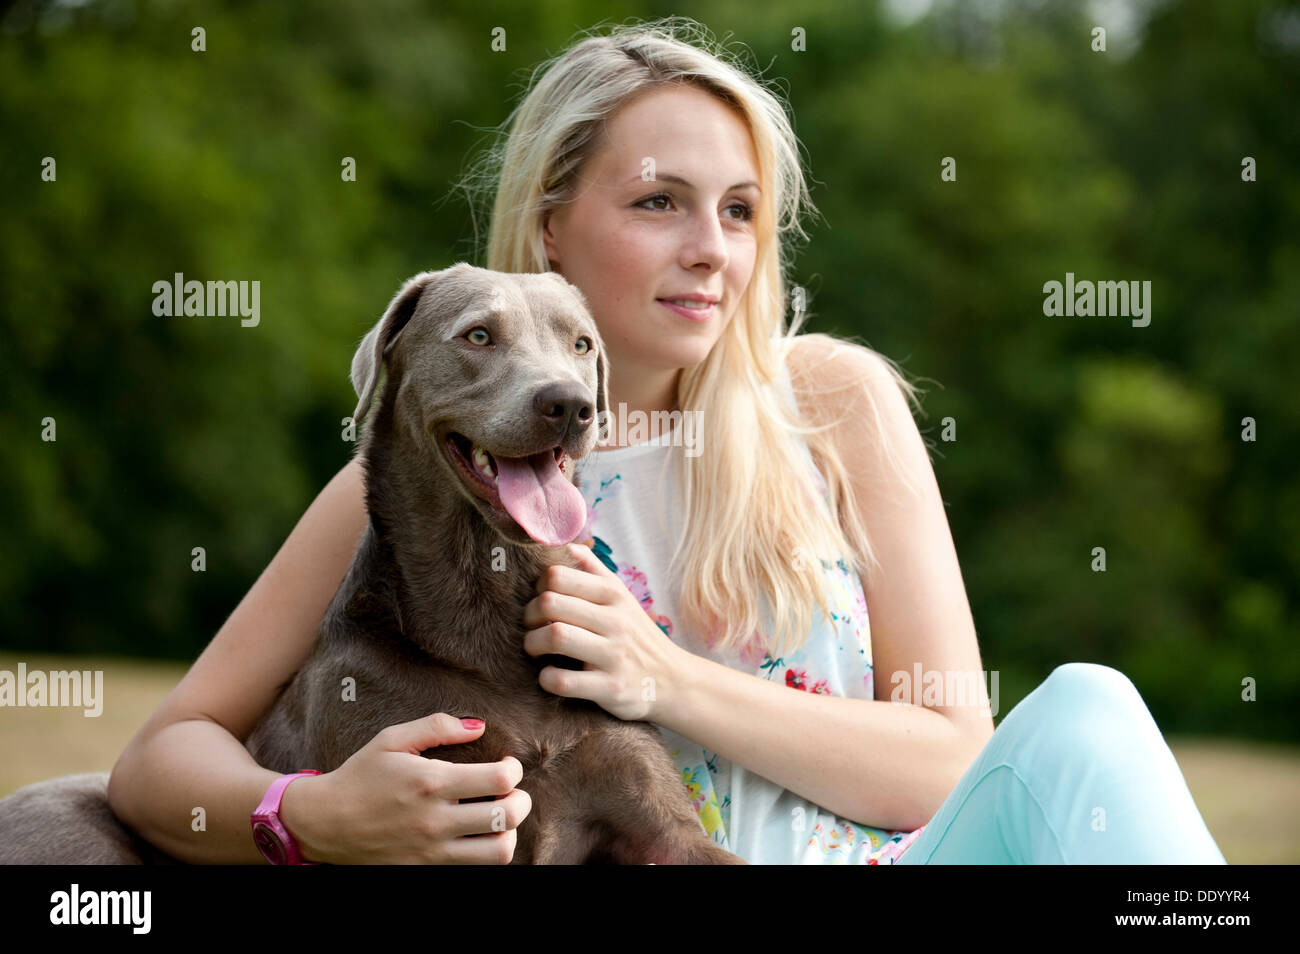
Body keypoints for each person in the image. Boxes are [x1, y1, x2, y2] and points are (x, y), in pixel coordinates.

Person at [107, 18, 1226, 865]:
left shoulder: (832, 406)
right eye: (659, 203)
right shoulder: (428, 471)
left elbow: (944, 758)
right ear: (552, 220)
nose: (711, 249)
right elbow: (162, 759)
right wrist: (310, 816)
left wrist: (662, 678)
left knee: (1088, 708)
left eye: (739, 210)